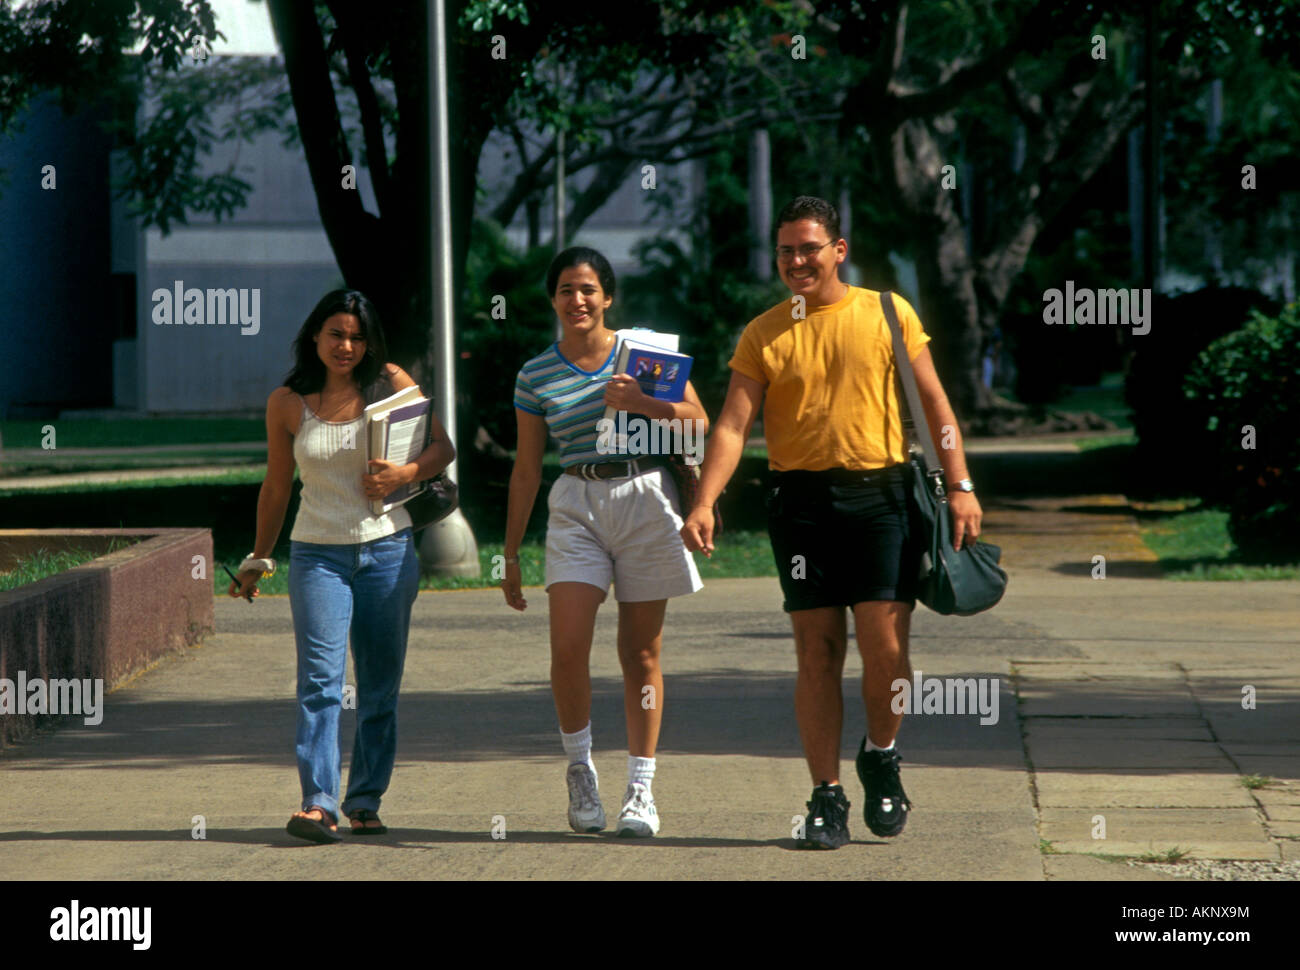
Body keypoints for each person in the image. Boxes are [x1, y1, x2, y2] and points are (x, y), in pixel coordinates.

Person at [681, 197, 982, 849]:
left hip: (884, 497)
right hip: (802, 507)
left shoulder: (885, 311)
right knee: (817, 653)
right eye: (786, 250)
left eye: (809, 248)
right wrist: (704, 500)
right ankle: (825, 796)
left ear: (837, 250)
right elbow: (733, 425)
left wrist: (960, 485)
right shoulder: (763, 332)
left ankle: (881, 751)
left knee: (887, 648)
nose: (796, 261)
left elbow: (935, 403)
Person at [229, 289, 455, 843]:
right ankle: (318, 804)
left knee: (379, 685)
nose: (347, 346)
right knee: (320, 682)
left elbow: (442, 449)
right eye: (336, 334)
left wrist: (404, 475)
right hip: (317, 555)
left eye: (357, 336)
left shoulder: (393, 383)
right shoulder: (286, 401)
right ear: (315, 336)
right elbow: (277, 486)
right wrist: (259, 557)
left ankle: (365, 799)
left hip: (389, 551)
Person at [501, 246, 708, 837]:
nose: (578, 300)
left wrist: (642, 401)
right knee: (568, 647)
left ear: (607, 296)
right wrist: (510, 555)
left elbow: (698, 421)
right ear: (554, 300)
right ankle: (579, 769)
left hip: (644, 496)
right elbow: (525, 469)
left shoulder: (641, 353)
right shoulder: (535, 373)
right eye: (567, 290)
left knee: (641, 654)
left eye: (589, 289)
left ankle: (640, 789)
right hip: (576, 505)